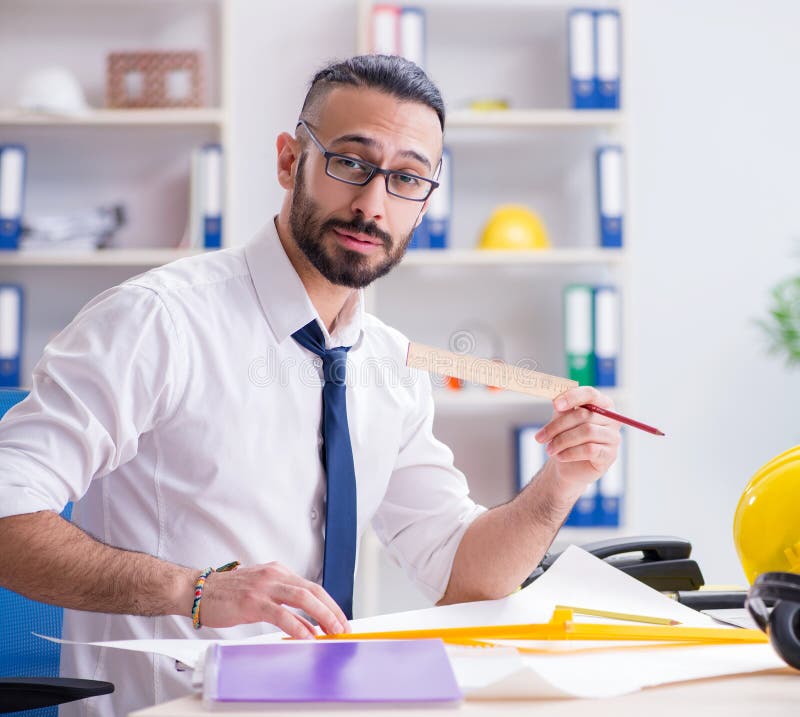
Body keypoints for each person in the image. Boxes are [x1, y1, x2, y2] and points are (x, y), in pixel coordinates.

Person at [0, 55, 620, 716]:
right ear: (289, 160)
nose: (372, 205)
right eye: (350, 163)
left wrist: (560, 483)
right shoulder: (158, 322)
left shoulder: (390, 368)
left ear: (424, 205)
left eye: (406, 179)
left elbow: (464, 578)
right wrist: (195, 590)